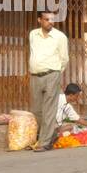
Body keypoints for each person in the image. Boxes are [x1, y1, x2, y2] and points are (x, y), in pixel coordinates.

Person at [28, 11, 69, 152]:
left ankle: (44, 142)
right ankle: (50, 136)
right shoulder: (33, 34)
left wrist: (56, 72)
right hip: (35, 75)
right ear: (40, 20)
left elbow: (64, 58)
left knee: (49, 110)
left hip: (52, 75)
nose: (50, 22)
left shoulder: (60, 37)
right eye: (47, 19)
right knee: (36, 110)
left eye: (52, 19)